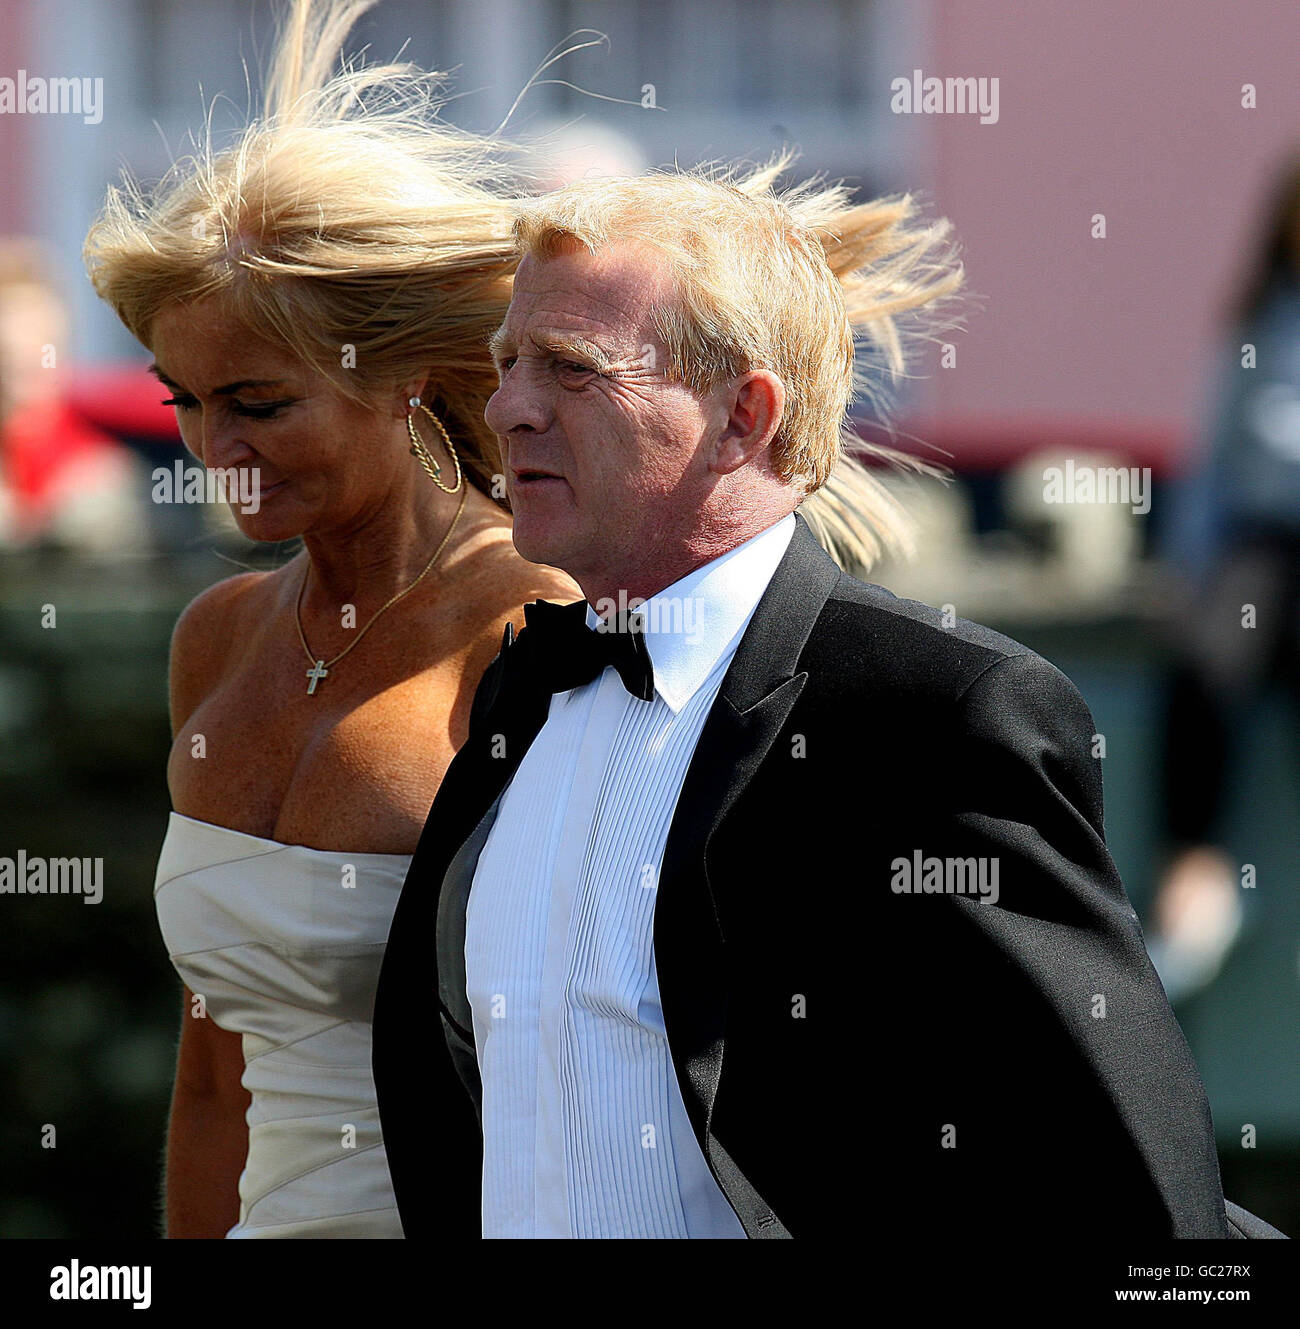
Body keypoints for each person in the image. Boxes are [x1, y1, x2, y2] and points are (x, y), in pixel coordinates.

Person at [373, 161, 1241, 1240]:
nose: (506, 408)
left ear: (742, 418)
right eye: (507, 362)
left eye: (571, 368)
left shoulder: (937, 714)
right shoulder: (523, 690)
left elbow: (1123, 1174)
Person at [82, 0, 577, 1238]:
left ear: (400, 374)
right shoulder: (220, 633)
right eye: (184, 400)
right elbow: (213, 1077)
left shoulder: (542, 626)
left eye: (256, 400)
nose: (215, 449)